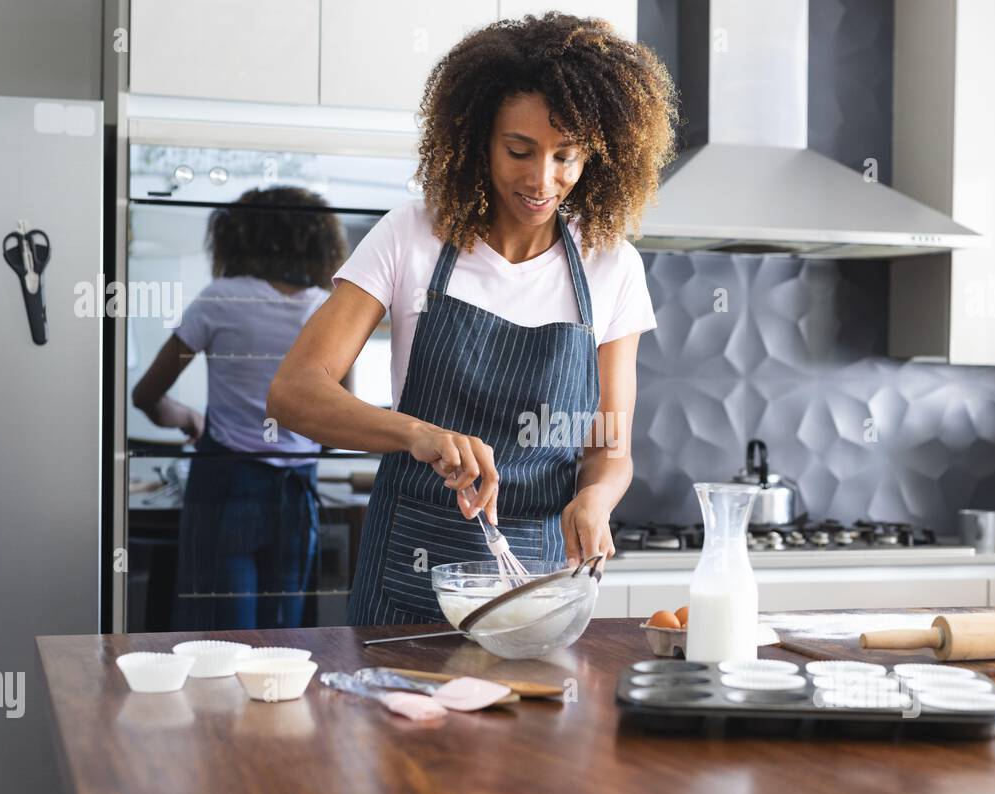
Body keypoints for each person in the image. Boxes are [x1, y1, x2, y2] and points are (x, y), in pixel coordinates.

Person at [268, 14, 677, 625]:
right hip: (404, 574)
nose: (543, 180)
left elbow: (610, 444)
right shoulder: (411, 236)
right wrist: (416, 434)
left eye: (567, 156)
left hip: (534, 582)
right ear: (478, 138)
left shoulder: (611, 265)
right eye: (519, 150)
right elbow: (294, 393)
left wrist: (596, 496)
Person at [133, 187, 348, 629]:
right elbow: (340, 415)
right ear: (320, 242)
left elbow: (147, 395)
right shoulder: (325, 311)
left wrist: (189, 418)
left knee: (218, 634)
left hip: (226, 486)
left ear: (237, 236)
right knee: (283, 639)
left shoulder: (220, 298)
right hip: (296, 492)